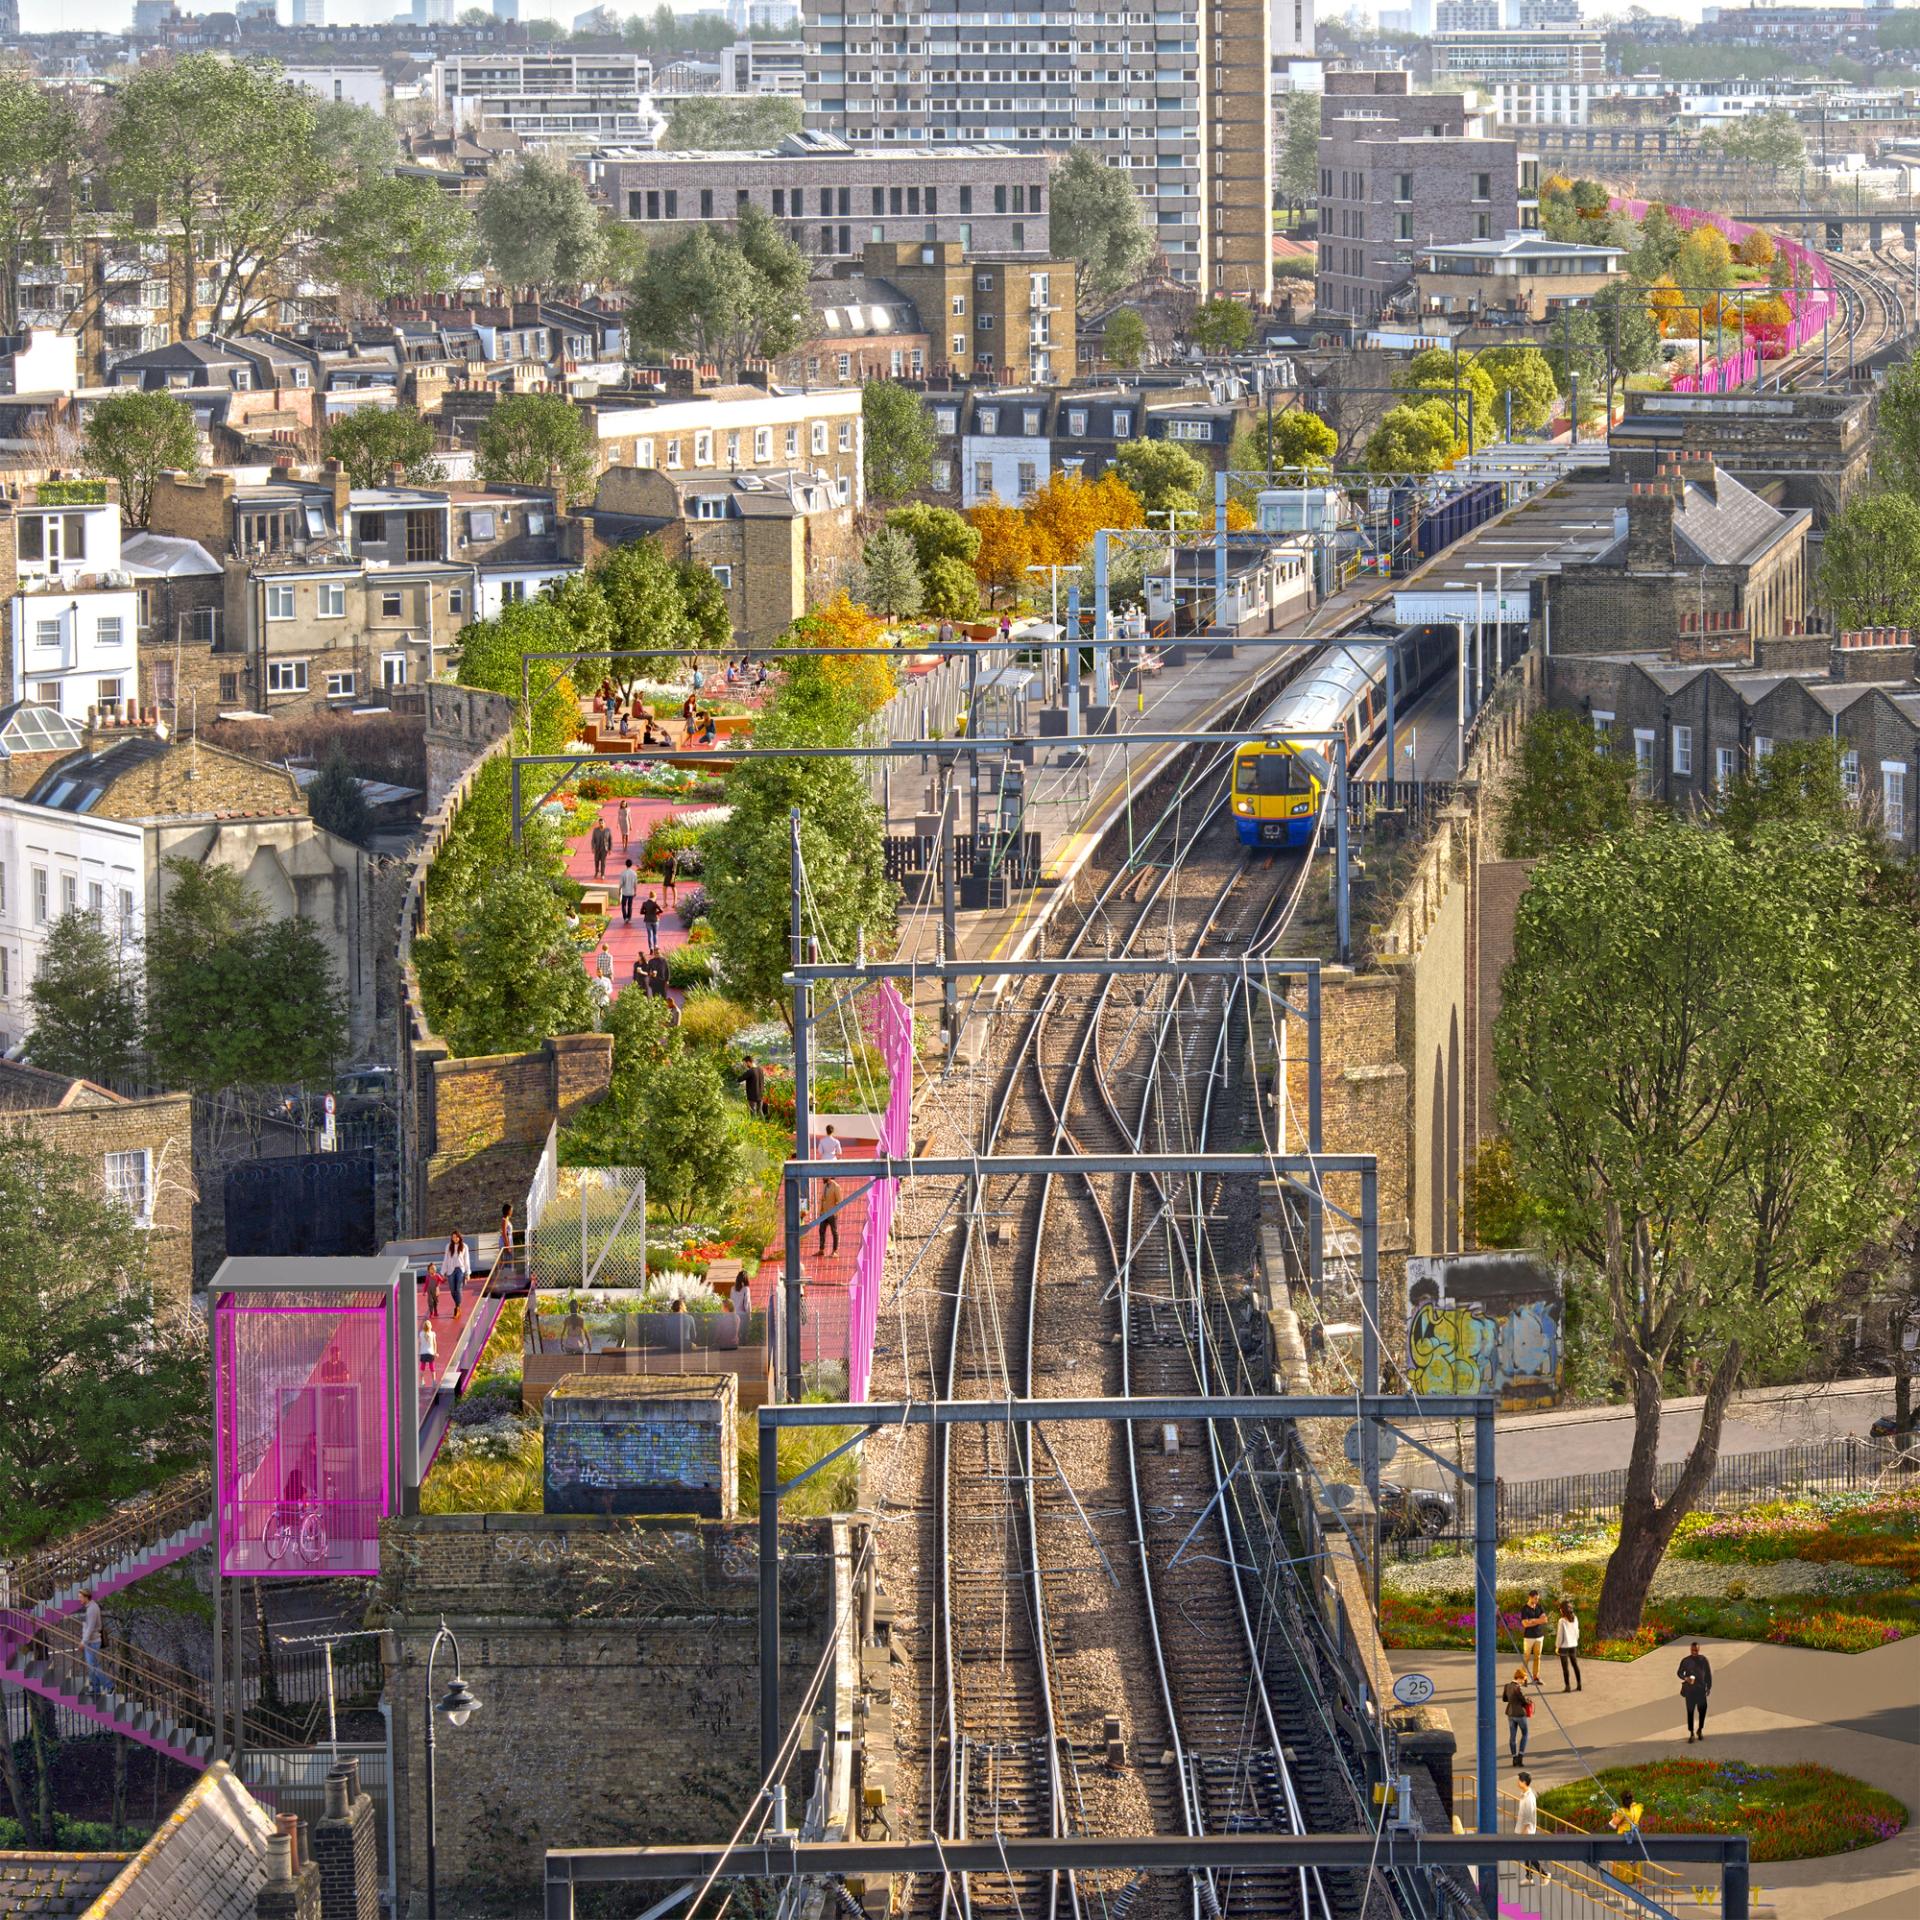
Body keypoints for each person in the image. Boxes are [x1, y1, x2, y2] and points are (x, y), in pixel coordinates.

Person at [1678, 1641, 1712, 1742]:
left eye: (1696, 1650)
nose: (1694, 1652)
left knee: (1702, 1711)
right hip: (1690, 1691)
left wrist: (1709, 1687)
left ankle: (1700, 1730)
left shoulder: (1703, 1660)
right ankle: (1691, 1733)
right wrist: (1686, 1678)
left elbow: (1708, 1674)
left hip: (1701, 1690)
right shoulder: (1686, 1661)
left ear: (1699, 1649)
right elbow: (1679, 1672)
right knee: (1690, 1712)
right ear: (1690, 1649)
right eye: (1693, 1650)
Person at [1502, 1666, 1532, 1764]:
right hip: (1520, 1714)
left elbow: (1504, 1699)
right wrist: (1528, 1701)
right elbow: (1524, 1701)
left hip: (1510, 1713)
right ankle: (1521, 1755)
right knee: (1525, 1734)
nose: (1524, 1682)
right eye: (1524, 1680)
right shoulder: (1518, 1688)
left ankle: (1514, 1757)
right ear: (1519, 1678)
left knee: (1512, 1736)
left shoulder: (1507, 1686)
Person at [1514, 1771, 1540, 1882]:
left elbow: (1528, 1817)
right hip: (1524, 1830)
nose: (1517, 1782)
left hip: (1527, 1831)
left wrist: (1524, 1832)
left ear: (1524, 1782)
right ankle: (1529, 1876)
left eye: (1519, 1780)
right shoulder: (1524, 1794)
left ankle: (1544, 1874)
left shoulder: (1529, 1797)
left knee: (1529, 1854)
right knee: (1527, 1854)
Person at [79, 1587, 104, 1701]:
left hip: (92, 1642)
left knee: (93, 1667)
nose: (79, 1599)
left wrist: (83, 1642)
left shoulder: (92, 1609)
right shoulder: (89, 1607)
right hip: (91, 1641)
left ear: (86, 1597)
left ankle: (105, 1687)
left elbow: (90, 1627)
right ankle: (96, 1689)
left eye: (80, 1597)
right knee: (93, 1667)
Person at [1520, 1589, 1549, 1684]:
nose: (1537, 1600)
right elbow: (1525, 1624)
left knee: (1538, 1657)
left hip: (1539, 1636)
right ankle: (1523, 1677)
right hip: (1528, 1637)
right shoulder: (1525, 1609)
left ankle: (1536, 1677)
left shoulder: (1539, 1606)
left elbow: (1545, 1620)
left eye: (1538, 1599)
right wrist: (1538, 1620)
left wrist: (1532, 1620)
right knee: (1526, 1657)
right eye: (1536, 1599)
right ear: (1530, 1597)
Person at [1556, 1599, 1582, 1693]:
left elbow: (1560, 1635)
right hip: (1573, 1645)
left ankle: (1568, 1687)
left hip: (1564, 1647)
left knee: (1565, 1668)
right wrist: (1575, 1641)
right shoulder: (1575, 1619)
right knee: (1575, 1665)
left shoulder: (1562, 1621)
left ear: (1563, 1610)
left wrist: (1557, 1646)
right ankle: (1579, 1685)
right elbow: (1577, 1632)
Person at [445, 1229, 470, 1317]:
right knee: (452, 1290)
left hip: (460, 1270)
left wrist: (467, 1273)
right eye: (453, 1237)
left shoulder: (464, 1246)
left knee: (458, 1289)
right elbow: (446, 1259)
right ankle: (458, 1306)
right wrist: (443, 1271)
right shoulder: (448, 1246)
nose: (454, 1239)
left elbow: (466, 1261)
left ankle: (457, 1308)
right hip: (450, 1270)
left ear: (459, 1237)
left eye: (456, 1237)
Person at [816, 1174, 842, 1255]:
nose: (822, 1178)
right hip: (823, 1213)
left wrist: (835, 1212)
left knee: (834, 1232)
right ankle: (821, 1250)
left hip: (832, 1214)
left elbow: (839, 1201)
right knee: (821, 1231)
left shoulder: (836, 1187)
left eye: (824, 1176)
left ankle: (835, 1251)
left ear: (829, 1176)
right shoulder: (825, 1186)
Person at [740, 1052, 767, 1119]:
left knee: (753, 1112)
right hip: (760, 1094)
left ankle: (753, 1125)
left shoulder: (750, 1071)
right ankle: (763, 1125)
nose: (744, 1065)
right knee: (760, 1111)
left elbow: (739, 1079)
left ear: (748, 1062)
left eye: (744, 1063)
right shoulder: (760, 1070)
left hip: (752, 1095)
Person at [619, 858, 640, 924]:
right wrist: (635, 891)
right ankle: (629, 917)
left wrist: (619, 890)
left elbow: (621, 883)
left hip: (625, 892)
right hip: (631, 892)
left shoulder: (623, 873)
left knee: (623, 905)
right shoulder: (634, 873)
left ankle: (625, 918)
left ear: (626, 865)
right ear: (631, 865)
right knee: (630, 905)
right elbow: (635, 884)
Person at [418, 1316, 438, 1381]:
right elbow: (435, 1343)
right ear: (430, 1326)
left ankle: (422, 1381)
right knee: (432, 1367)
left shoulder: (421, 1334)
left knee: (422, 1368)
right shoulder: (432, 1333)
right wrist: (435, 1352)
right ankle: (434, 1381)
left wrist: (419, 1352)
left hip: (423, 1353)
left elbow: (420, 1343)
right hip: (430, 1353)